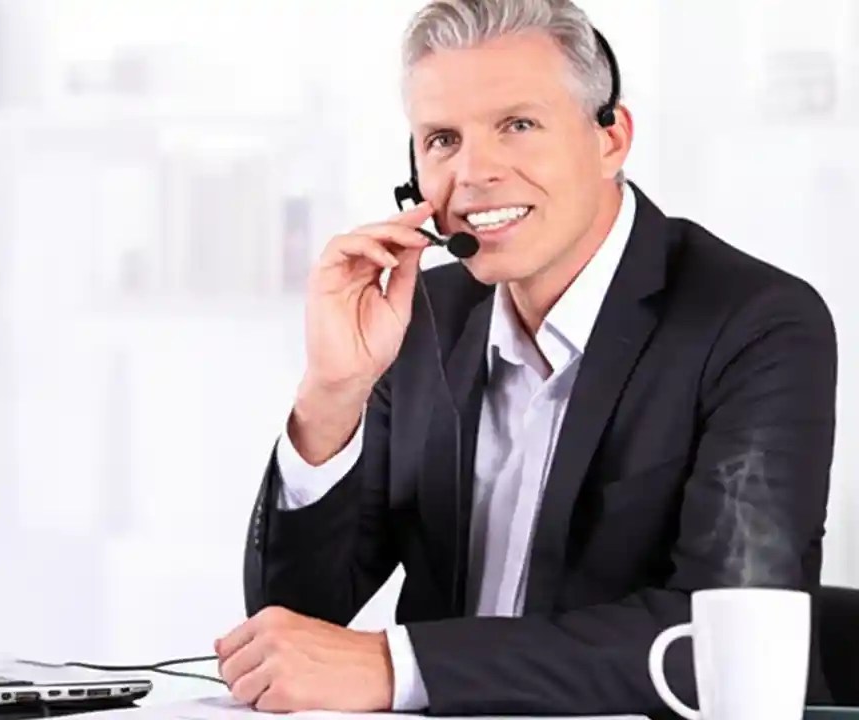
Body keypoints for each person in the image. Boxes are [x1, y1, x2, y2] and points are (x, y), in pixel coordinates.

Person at [214, 0, 838, 716]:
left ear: (611, 139)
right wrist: (332, 393)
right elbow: (294, 629)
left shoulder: (754, 323)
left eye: (518, 125)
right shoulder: (418, 316)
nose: (475, 171)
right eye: (443, 139)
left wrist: (400, 666)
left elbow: (724, 646)